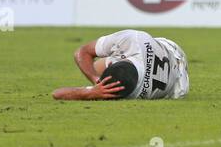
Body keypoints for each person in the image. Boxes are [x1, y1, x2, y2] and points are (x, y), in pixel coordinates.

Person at [52, 31, 189, 100]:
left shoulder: (124, 95)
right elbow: (82, 52)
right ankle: (100, 77)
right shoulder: (133, 39)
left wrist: (92, 91)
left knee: (99, 65)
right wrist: (96, 80)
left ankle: (100, 77)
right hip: (172, 52)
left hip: (178, 80)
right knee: (99, 66)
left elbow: (57, 94)